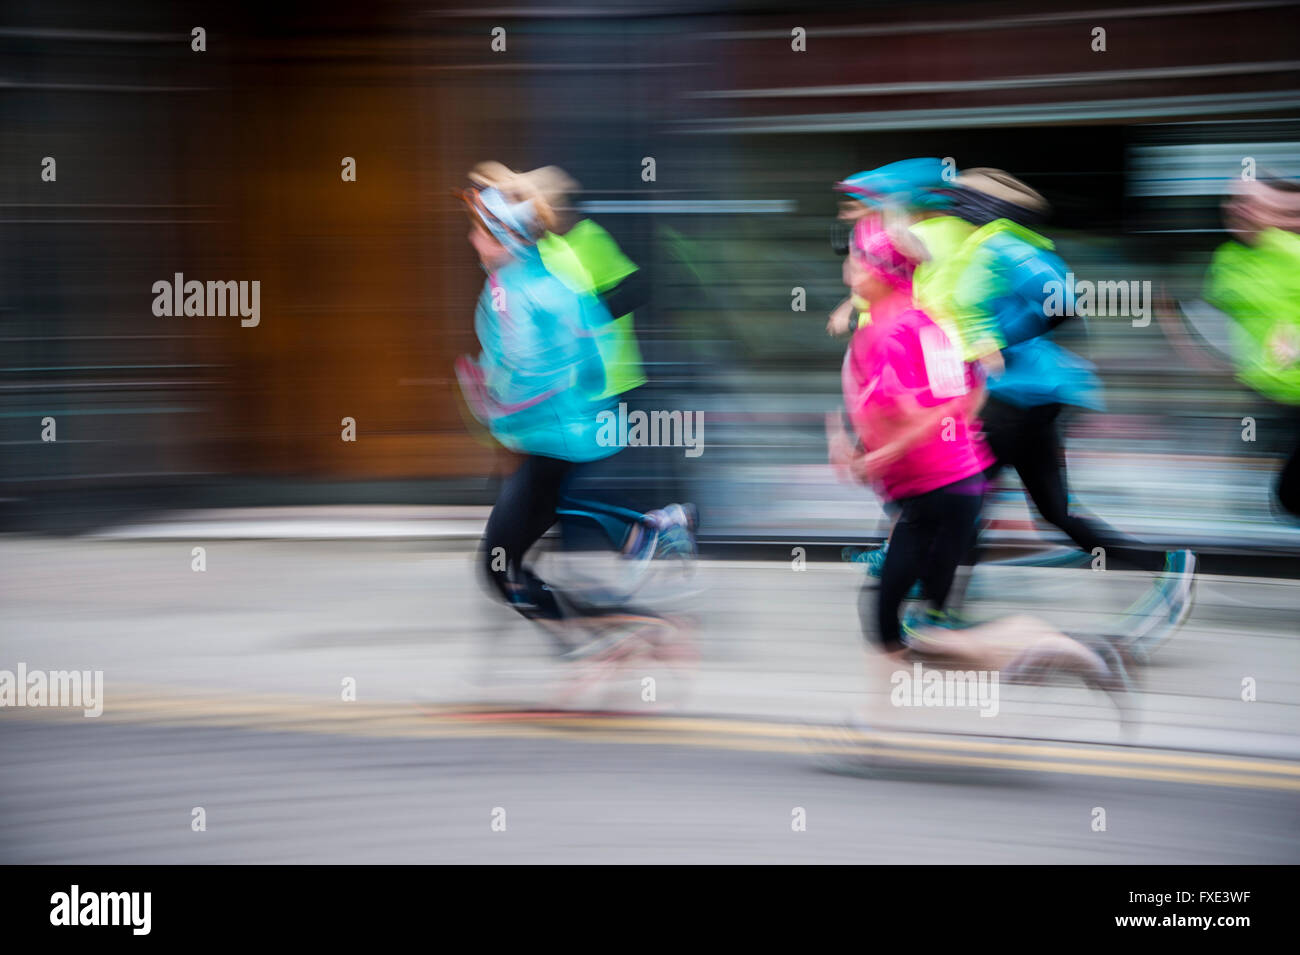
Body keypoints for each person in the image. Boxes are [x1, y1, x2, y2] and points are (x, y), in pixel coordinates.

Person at [827, 219, 1133, 712]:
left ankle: (1065, 651)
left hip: (931, 493)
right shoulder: (928, 323)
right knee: (917, 626)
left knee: (897, 624)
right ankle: (1062, 653)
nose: (848, 271)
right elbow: (971, 390)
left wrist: (874, 456)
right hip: (955, 488)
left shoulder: (884, 334)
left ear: (882, 271)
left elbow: (915, 413)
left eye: (858, 260)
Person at [915, 169, 1196, 653]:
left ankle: (937, 617)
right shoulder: (986, 247)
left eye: (961, 201)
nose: (952, 209)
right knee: (1053, 511)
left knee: (966, 501)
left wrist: (996, 341)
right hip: (1025, 397)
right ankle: (1166, 566)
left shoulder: (1005, 246)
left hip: (1019, 398)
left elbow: (1063, 302)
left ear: (983, 208)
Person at [454, 171, 667, 657]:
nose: (471, 239)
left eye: (481, 231)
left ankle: (609, 631)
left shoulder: (508, 292)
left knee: (498, 563)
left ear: (504, 237)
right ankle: (608, 628)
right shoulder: (554, 279)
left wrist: (491, 403)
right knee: (526, 554)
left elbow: (526, 369)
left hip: (546, 443)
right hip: (574, 438)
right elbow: (591, 358)